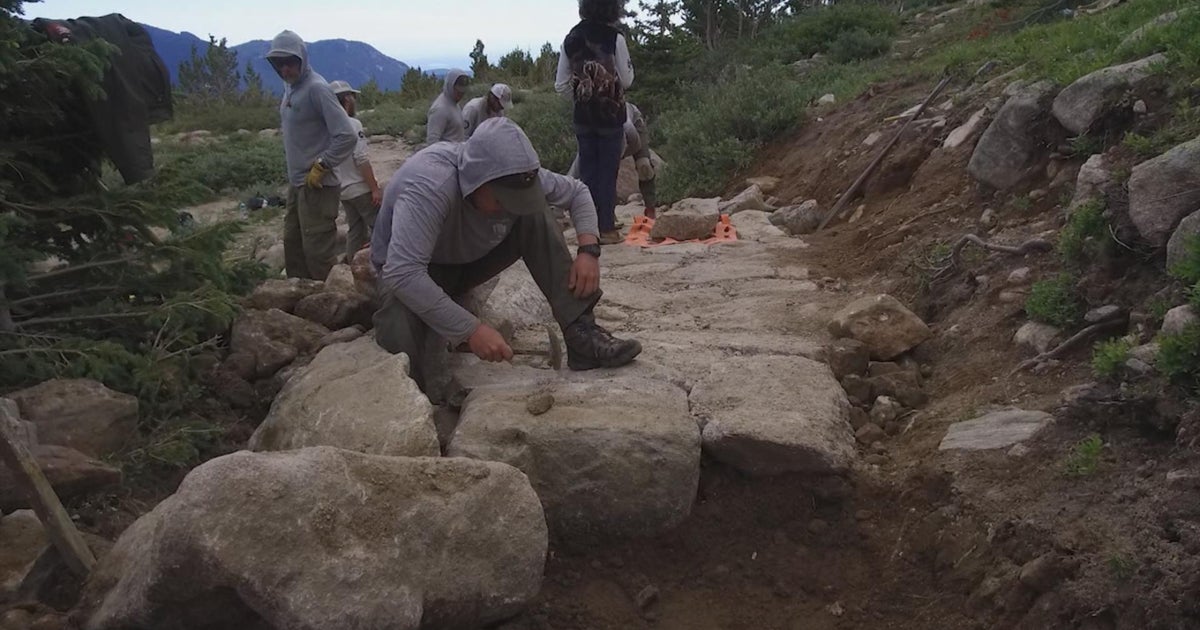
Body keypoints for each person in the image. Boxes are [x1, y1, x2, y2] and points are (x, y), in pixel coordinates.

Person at [371, 117, 642, 391]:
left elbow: (577, 192)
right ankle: (413, 397)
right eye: (501, 200)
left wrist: (588, 250)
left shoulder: (515, 173)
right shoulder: (429, 185)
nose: (508, 207)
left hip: (466, 264)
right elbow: (403, 272)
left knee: (535, 214)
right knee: (400, 324)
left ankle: (581, 333)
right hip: (413, 271)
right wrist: (471, 330)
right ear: (478, 181)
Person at [266, 30, 356, 281]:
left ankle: (334, 309)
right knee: (293, 246)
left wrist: (322, 165)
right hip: (298, 184)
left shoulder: (317, 88)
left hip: (318, 186)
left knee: (318, 253)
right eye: (279, 64)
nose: (285, 69)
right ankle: (302, 301)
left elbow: (346, 135)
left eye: (290, 62)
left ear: (302, 59)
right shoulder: (290, 87)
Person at [556, 0, 634, 245]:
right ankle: (607, 227)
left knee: (587, 172)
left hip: (583, 117)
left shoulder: (571, 38)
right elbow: (628, 79)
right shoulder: (614, 38)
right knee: (607, 171)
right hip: (611, 115)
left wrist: (581, 97)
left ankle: (588, 228)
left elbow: (560, 85)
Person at [567, 101, 659, 218]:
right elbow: (573, 174)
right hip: (609, 138)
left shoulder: (627, 127)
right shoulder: (590, 132)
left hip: (634, 126)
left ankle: (650, 209)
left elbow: (636, 145)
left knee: (644, 166)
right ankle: (608, 214)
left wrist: (618, 156)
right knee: (602, 177)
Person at [329, 80, 382, 260]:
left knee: (355, 229)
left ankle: (352, 266)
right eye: (353, 97)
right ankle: (380, 265)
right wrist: (374, 188)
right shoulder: (352, 124)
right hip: (359, 188)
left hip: (342, 190)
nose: (355, 101)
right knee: (379, 226)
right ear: (347, 99)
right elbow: (361, 159)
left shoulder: (326, 127)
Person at [426, 69, 469, 144]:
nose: (461, 95)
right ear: (450, 86)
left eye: (462, 92)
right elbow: (432, 140)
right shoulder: (440, 109)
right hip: (446, 154)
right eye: (458, 91)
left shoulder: (454, 104)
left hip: (456, 153)